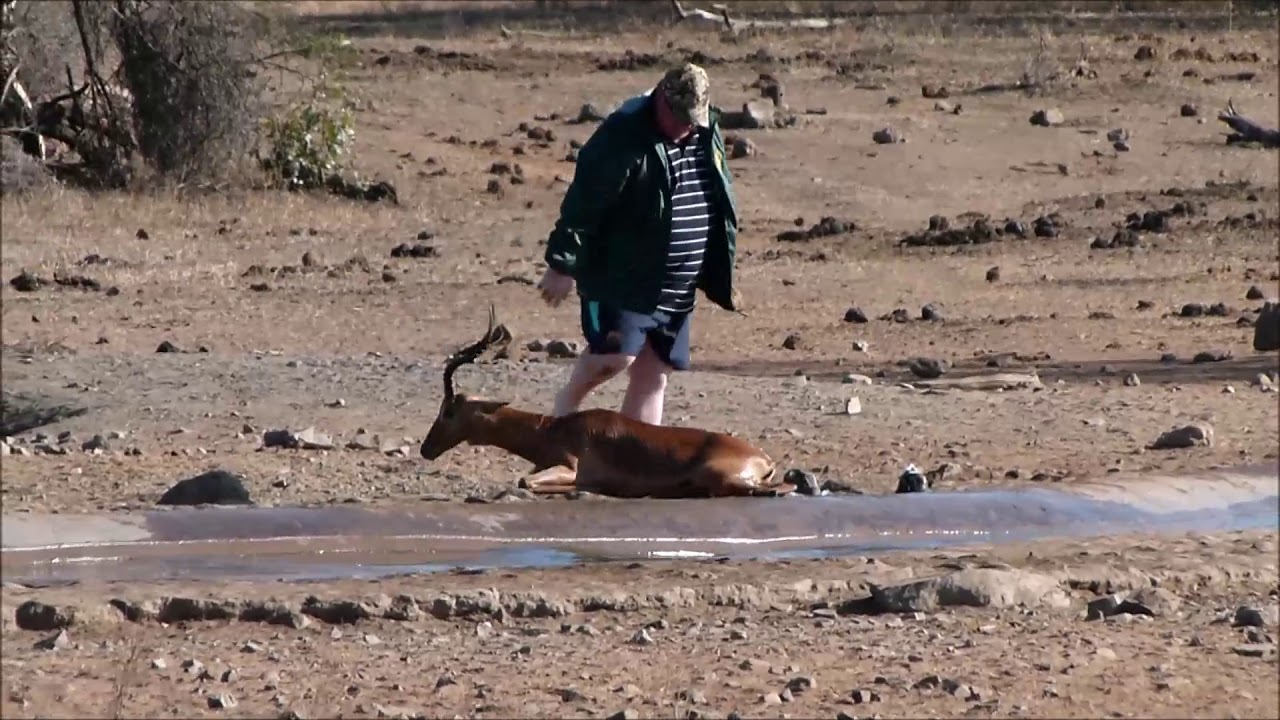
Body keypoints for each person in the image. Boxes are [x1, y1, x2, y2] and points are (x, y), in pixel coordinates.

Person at [535, 62, 742, 427]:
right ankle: (562, 413)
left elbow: (719, 196)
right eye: (680, 116)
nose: (687, 124)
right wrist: (562, 264)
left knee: (654, 373)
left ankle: (635, 465)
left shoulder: (705, 128)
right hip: (625, 275)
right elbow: (585, 202)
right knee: (614, 357)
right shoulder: (622, 136)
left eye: (694, 116)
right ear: (661, 99)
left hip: (677, 284)